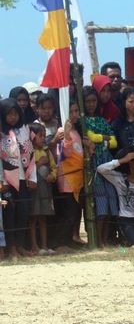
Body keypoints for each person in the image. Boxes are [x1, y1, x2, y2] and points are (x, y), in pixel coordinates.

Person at [82, 85, 119, 247]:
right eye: (88, 101)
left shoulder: (102, 120)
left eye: (94, 101)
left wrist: (99, 138)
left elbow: (114, 142)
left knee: (111, 200)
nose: (91, 104)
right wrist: (104, 138)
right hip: (94, 165)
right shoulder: (83, 122)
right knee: (100, 204)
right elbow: (90, 136)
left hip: (107, 164)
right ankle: (97, 240)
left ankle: (105, 239)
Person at [0, 98, 37, 258]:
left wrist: (33, 177)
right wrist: (1, 180)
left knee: (23, 212)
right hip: (7, 180)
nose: (13, 117)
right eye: (9, 114)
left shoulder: (24, 129)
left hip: (24, 179)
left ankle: (20, 245)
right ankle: (11, 248)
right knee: (9, 214)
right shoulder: (1, 132)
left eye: (15, 113)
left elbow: (32, 153)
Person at [57, 100, 85, 245]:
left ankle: (71, 240)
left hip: (77, 177)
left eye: (76, 111)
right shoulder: (62, 131)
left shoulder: (77, 131)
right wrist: (66, 134)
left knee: (74, 213)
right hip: (67, 178)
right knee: (68, 213)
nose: (74, 115)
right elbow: (65, 153)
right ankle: (63, 243)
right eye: (71, 112)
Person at [28, 123, 56, 254]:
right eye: (40, 136)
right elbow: (26, 169)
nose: (44, 138)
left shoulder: (46, 151)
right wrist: (39, 163)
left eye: (45, 136)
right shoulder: (28, 152)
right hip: (33, 190)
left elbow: (54, 167)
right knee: (33, 218)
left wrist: (52, 176)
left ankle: (44, 246)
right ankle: (34, 246)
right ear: (32, 137)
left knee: (43, 217)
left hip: (45, 189)